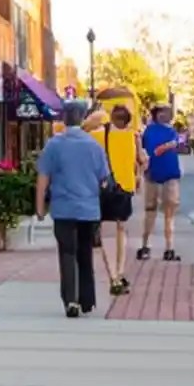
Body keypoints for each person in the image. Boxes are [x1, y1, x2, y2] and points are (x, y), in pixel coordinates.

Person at [36, 100, 111, 318]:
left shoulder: (54, 145)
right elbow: (103, 179)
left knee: (67, 253)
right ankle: (87, 299)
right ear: (83, 118)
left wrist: (40, 208)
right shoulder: (93, 146)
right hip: (88, 209)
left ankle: (71, 300)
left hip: (63, 208)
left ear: (64, 119)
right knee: (85, 252)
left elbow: (43, 178)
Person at [90, 105, 148, 295]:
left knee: (106, 233)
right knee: (121, 230)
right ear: (128, 120)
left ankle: (112, 275)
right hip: (125, 188)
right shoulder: (134, 136)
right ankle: (120, 271)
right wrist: (139, 174)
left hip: (104, 187)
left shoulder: (98, 135)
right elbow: (142, 161)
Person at [140, 104, 183, 261]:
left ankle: (168, 247)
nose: (164, 115)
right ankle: (147, 245)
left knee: (168, 212)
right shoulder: (150, 131)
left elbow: (178, 143)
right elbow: (143, 151)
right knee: (153, 211)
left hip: (168, 175)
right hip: (155, 174)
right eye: (161, 112)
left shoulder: (171, 132)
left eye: (166, 112)